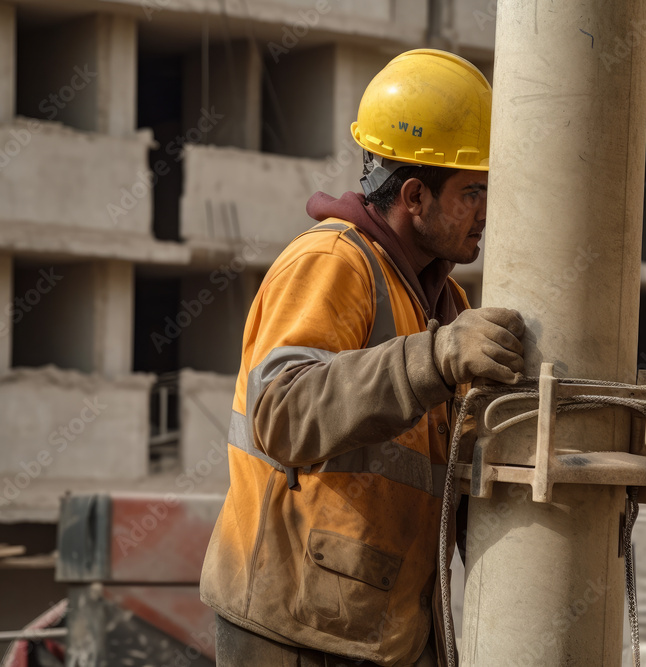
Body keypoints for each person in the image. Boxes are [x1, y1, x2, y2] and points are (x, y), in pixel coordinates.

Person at [199, 48, 527, 666]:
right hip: (293, 631)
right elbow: (283, 411)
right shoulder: (333, 263)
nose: (487, 212)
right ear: (414, 196)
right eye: (472, 191)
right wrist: (434, 357)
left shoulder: (442, 299)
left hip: (377, 632)